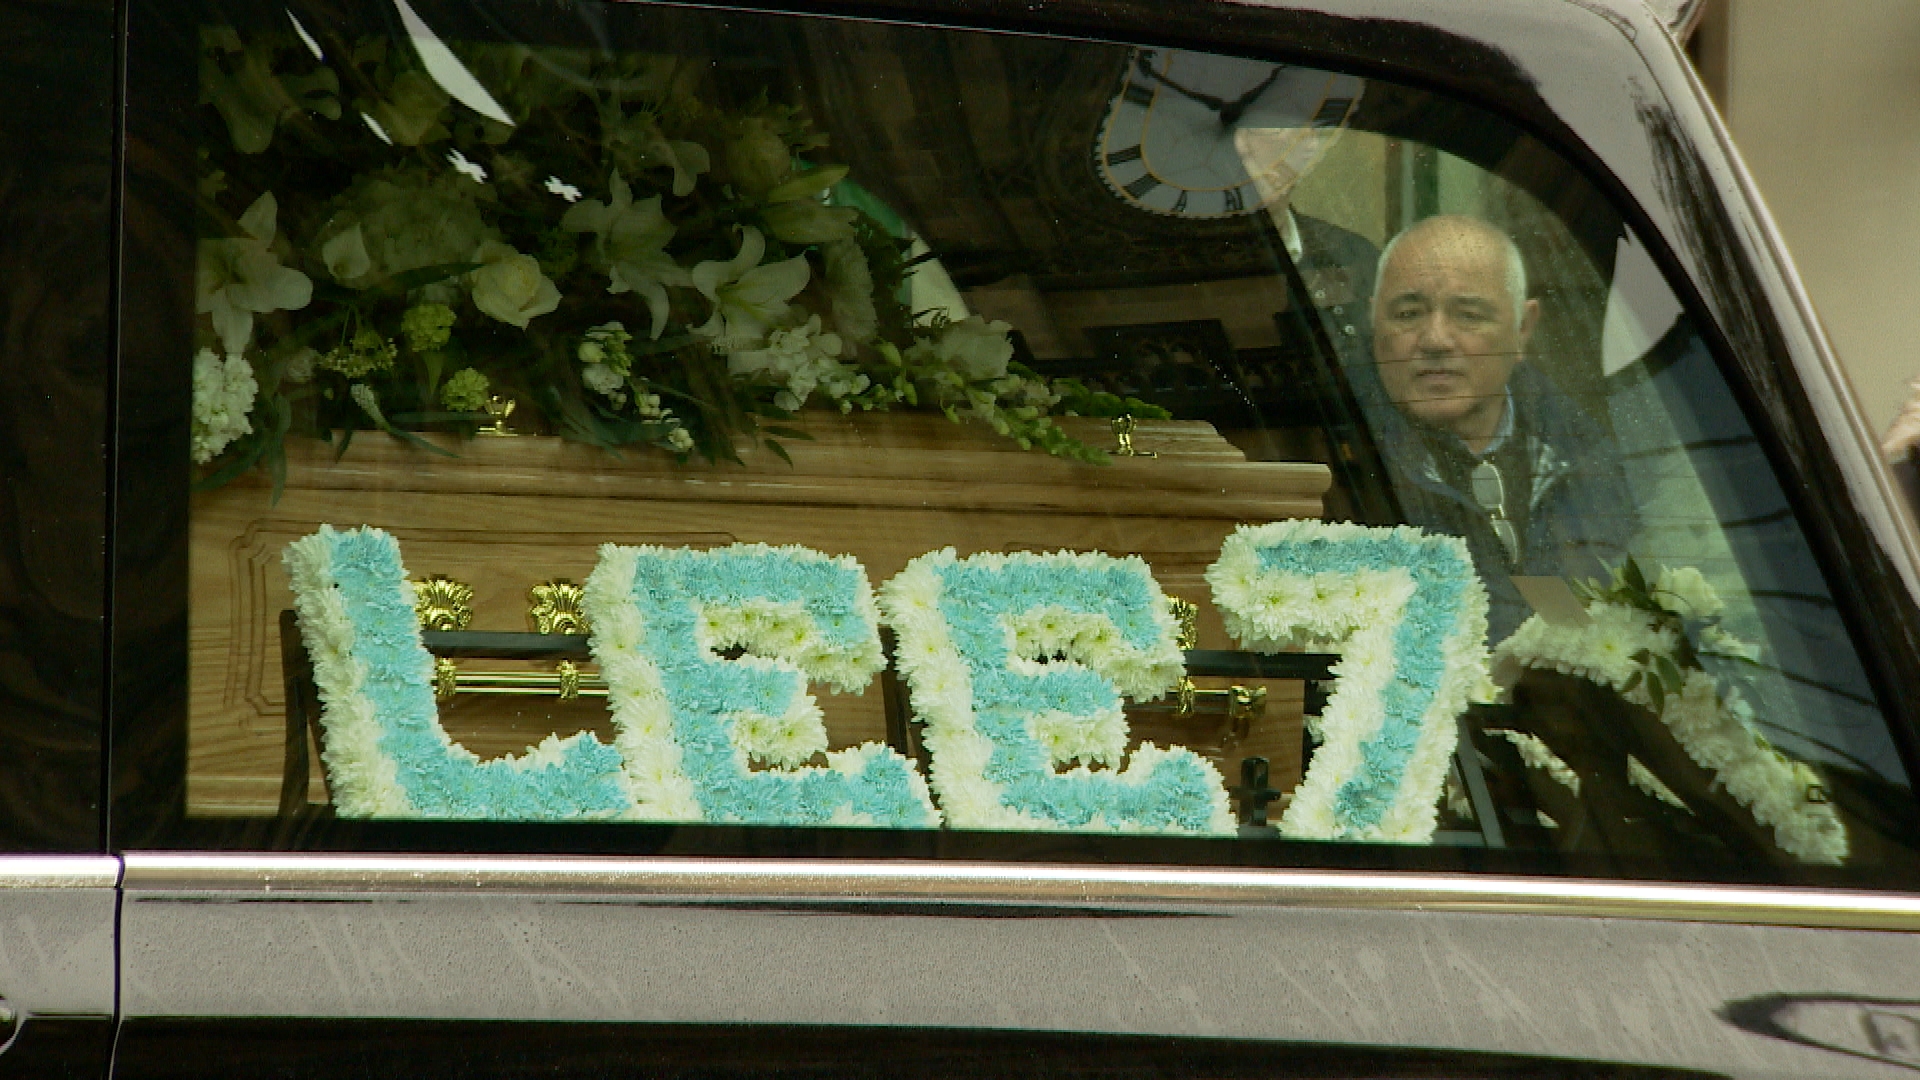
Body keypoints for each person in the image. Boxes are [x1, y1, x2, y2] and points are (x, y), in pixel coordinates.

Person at [1354, 215, 1636, 640]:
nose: (1435, 339)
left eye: (1469, 315)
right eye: (1408, 314)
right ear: (1373, 318)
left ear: (1523, 328)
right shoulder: (1338, 449)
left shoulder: (1583, 455)